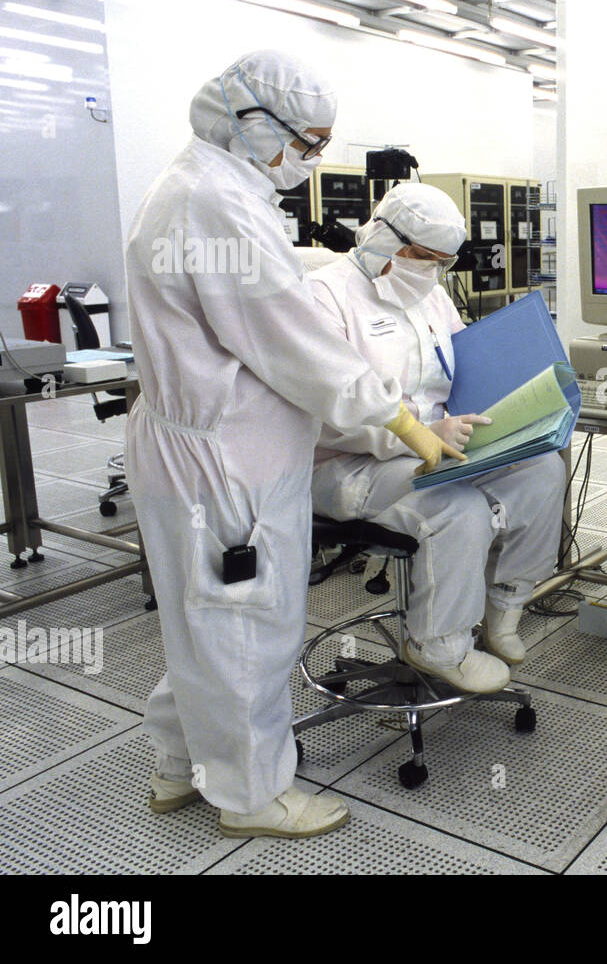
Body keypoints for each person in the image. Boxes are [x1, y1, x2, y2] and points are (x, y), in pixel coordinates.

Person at [124, 51, 460, 840]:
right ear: (253, 123)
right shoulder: (219, 205)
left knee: (199, 617)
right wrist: (401, 423)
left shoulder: (193, 186)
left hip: (191, 448)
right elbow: (296, 344)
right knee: (247, 626)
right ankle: (250, 795)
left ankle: (181, 762)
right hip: (229, 460)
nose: (308, 161)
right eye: (306, 143)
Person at [309, 183, 566, 693]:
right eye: (422, 258)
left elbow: (462, 361)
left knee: (543, 469)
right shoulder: (324, 296)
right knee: (457, 506)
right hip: (345, 464)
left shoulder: (429, 293)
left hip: (441, 443)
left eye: (441, 263)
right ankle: (438, 646)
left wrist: (515, 405)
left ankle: (505, 604)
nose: (431, 273)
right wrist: (420, 435)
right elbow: (328, 411)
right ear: (381, 236)